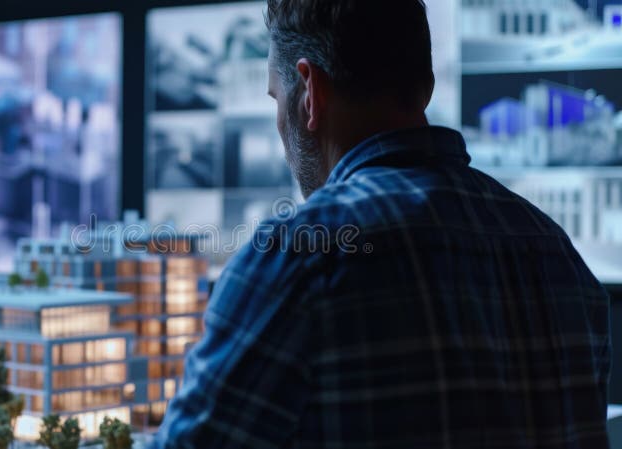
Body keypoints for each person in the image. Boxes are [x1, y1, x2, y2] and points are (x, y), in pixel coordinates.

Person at [149, 1, 611, 448]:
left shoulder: (294, 260)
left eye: (277, 95)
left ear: (309, 92)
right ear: (425, 86)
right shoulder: (558, 255)